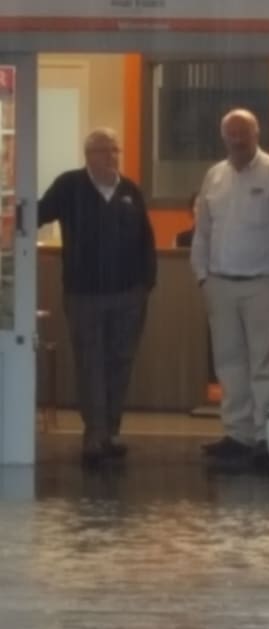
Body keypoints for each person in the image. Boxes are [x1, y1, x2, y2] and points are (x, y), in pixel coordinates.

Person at [191, 108, 269, 471]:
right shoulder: (215, 177)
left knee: (264, 364)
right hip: (220, 284)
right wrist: (201, 275)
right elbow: (203, 231)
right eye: (231, 134)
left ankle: (264, 438)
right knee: (229, 364)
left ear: (257, 134)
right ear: (223, 137)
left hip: (262, 285)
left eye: (244, 133)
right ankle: (237, 435)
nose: (238, 140)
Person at [38, 128, 156, 467]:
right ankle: (94, 433)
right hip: (83, 295)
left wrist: (145, 284)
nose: (111, 156)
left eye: (114, 150)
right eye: (103, 150)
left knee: (120, 362)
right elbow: (37, 214)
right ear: (88, 155)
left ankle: (112, 430)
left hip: (128, 296)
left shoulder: (130, 190)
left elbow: (146, 241)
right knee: (90, 364)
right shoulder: (69, 186)